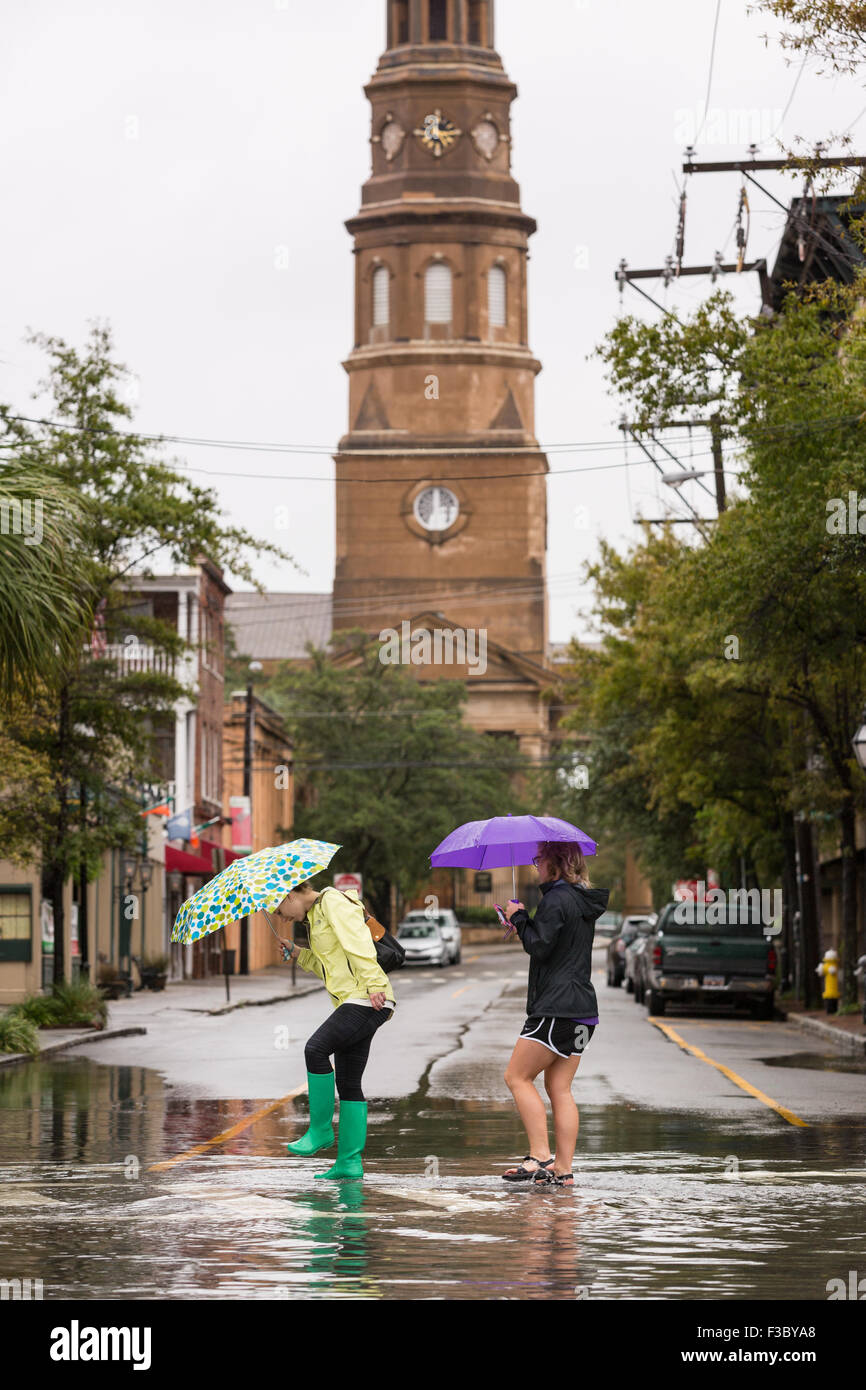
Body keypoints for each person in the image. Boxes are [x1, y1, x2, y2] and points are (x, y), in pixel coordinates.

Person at [501, 841, 608, 1188]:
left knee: (516, 1077)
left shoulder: (556, 899)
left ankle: (539, 1155)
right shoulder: (579, 900)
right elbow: (552, 941)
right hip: (583, 1012)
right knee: (559, 1087)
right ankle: (564, 1168)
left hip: (556, 1008)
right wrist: (523, 924)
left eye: (540, 860)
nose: (536, 866)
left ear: (556, 864)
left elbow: (540, 946)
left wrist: (519, 916)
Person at [274, 880, 395, 1181]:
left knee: (315, 1049)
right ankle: (349, 1162)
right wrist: (298, 952)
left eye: (279, 909)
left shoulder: (332, 902)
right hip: (354, 999)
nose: (281, 917)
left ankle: (320, 1130)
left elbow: (358, 943)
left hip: (366, 998)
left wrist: (375, 984)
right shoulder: (316, 917)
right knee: (348, 1082)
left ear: (290, 894)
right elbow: (329, 966)